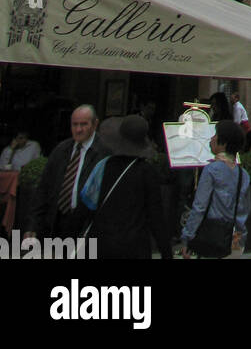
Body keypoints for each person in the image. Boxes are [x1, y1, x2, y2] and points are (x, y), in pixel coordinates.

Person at [82, 115, 172, 260]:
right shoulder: (147, 172)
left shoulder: (103, 166)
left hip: (102, 244)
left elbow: (85, 206)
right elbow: (156, 218)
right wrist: (166, 253)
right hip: (134, 247)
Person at [30, 105, 109, 238]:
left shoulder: (104, 153)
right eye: (74, 125)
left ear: (95, 124)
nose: (78, 129)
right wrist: (33, 225)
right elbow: (43, 189)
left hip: (85, 226)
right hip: (57, 221)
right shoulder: (61, 150)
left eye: (84, 124)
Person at [180, 120, 250, 258]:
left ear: (223, 143)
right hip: (234, 239)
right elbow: (244, 210)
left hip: (210, 237)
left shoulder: (211, 170)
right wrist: (241, 238)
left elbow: (200, 207)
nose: (212, 139)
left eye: (215, 135)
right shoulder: (244, 175)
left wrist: (187, 237)